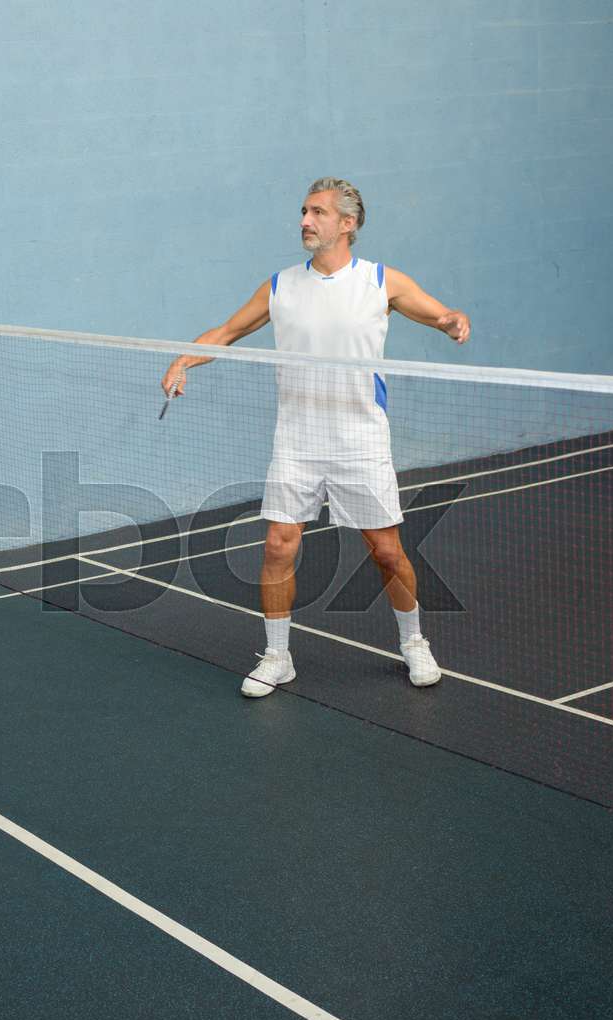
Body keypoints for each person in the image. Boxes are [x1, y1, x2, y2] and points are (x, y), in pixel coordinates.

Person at [161, 178, 470, 698]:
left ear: (347, 224)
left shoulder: (380, 281)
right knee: (279, 544)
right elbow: (229, 332)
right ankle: (277, 655)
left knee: (386, 550)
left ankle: (413, 642)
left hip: (360, 437)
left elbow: (435, 312)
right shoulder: (280, 286)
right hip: (297, 438)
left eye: (318, 212)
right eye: (304, 211)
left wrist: (451, 321)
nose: (305, 220)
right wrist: (183, 359)